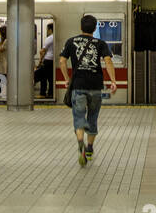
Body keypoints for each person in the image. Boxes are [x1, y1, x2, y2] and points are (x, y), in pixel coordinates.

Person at [60, 14, 117, 167]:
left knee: (79, 118)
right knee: (93, 117)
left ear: (81, 27)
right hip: (96, 86)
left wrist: (66, 78)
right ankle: (90, 147)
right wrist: (113, 81)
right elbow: (108, 61)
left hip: (78, 85)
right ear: (95, 28)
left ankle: (80, 144)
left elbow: (62, 61)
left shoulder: (71, 42)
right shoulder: (100, 43)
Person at [37, 22, 55, 99]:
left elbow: (43, 51)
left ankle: (42, 93)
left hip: (47, 60)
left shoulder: (50, 38)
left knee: (43, 77)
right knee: (51, 78)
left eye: (47, 29)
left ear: (50, 29)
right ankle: (51, 93)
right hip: (53, 60)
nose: (47, 31)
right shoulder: (55, 37)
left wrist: (40, 61)